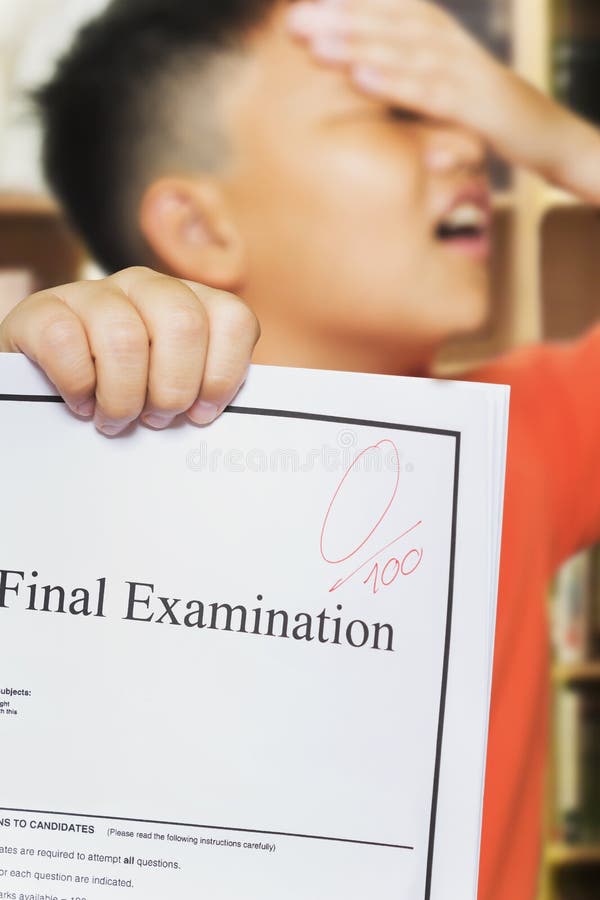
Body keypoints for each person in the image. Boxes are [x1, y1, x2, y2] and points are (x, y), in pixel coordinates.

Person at [0, 1, 599, 897]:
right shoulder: (75, 447)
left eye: (465, 107)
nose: (469, 141)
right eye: (397, 110)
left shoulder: (524, 433)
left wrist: (558, 139)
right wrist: (41, 417)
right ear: (200, 229)